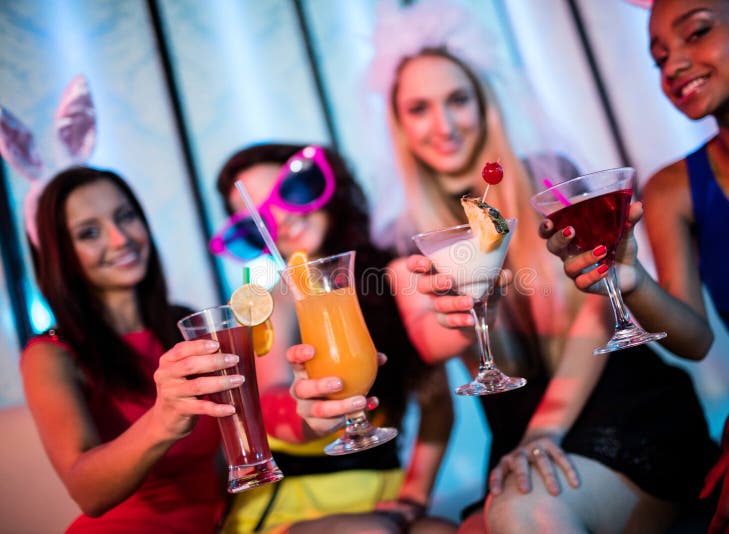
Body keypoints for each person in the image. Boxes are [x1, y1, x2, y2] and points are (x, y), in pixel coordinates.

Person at [359, 1, 719, 532]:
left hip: (619, 411)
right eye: (419, 108)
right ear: (399, 125)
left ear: (483, 103)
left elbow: (597, 313)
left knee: (526, 512)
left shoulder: (550, 182)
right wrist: (469, 313)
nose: (444, 125)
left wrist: (543, 431)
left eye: (458, 99)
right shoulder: (404, 241)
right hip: (517, 435)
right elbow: (433, 348)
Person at [542, 0, 729, 531]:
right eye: (659, 58)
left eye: (697, 32)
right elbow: (695, 340)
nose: (674, 65)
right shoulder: (671, 189)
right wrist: (630, 280)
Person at [211, 143, 456, 533]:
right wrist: (309, 413)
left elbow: (438, 405)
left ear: (319, 184)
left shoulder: (387, 283)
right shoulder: (274, 303)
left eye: (289, 191)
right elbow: (273, 407)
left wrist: (414, 496)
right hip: (292, 507)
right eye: (259, 219)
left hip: (383, 499)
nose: (282, 219)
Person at [19, 166, 235, 533]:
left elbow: (224, 458)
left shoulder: (185, 324)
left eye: (126, 217)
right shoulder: (50, 354)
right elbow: (87, 492)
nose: (121, 239)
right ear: (61, 255)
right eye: (89, 233)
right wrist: (162, 420)